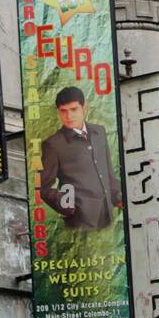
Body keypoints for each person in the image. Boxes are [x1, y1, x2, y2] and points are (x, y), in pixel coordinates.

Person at [39, 86, 123, 231]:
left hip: (108, 216)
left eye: (73, 109)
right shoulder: (53, 144)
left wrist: (118, 197)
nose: (69, 116)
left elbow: (108, 171)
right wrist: (68, 206)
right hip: (80, 223)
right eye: (63, 111)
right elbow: (43, 187)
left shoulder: (100, 131)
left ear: (84, 109)